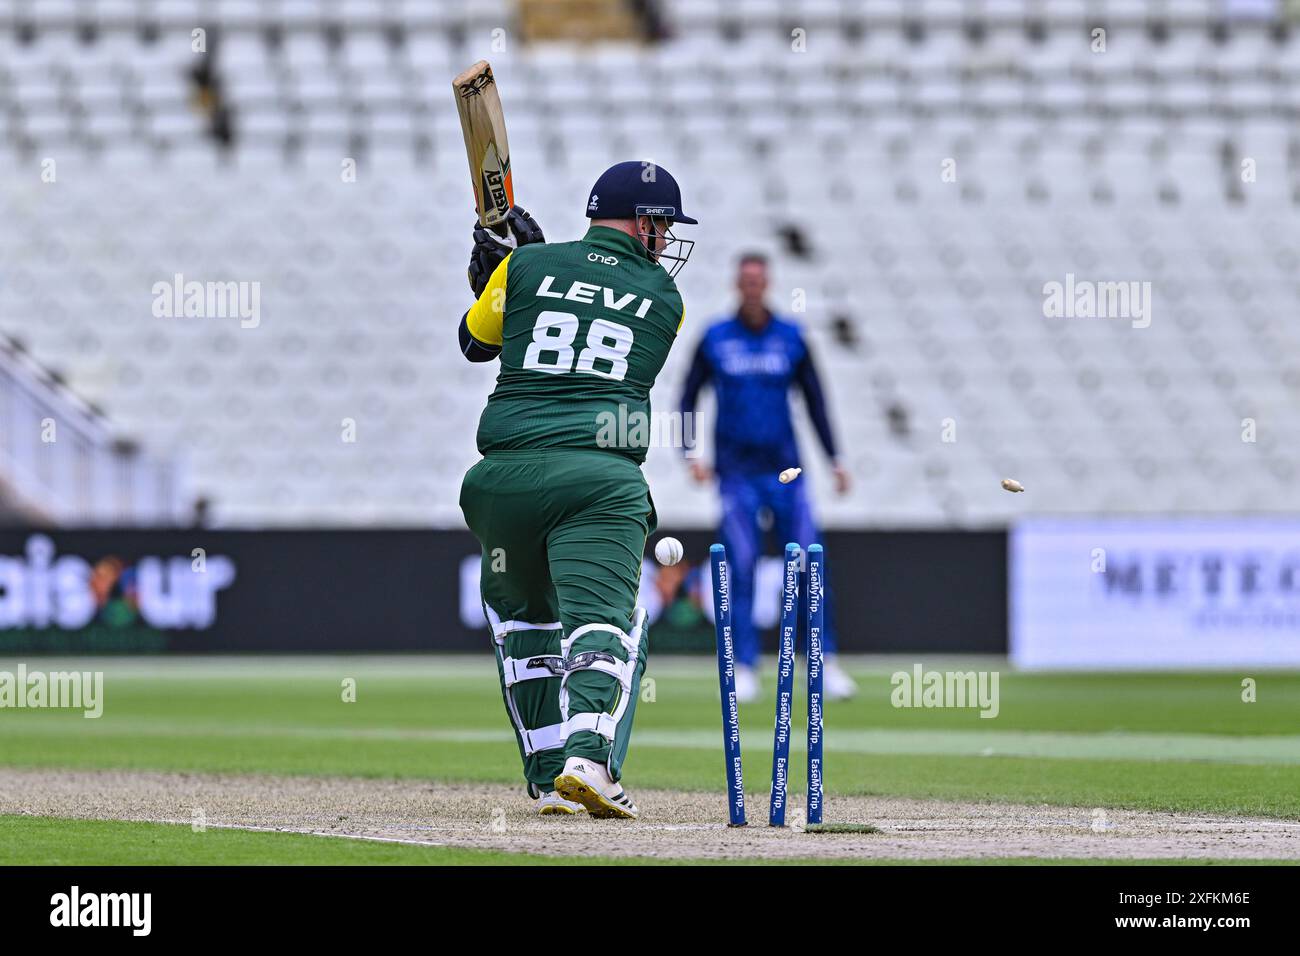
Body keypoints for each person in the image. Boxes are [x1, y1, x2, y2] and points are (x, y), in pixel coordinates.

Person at [458, 161, 695, 819]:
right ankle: (587, 761)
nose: (667, 240)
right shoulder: (666, 302)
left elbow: (475, 343)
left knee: (526, 621)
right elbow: (593, 311)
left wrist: (499, 273)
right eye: (664, 225)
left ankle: (544, 772)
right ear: (643, 221)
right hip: (598, 477)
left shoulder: (527, 270)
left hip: (499, 479)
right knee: (606, 622)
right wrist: (523, 266)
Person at [679, 253, 857, 703]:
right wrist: (688, 454)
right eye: (746, 280)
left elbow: (816, 400)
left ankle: (824, 660)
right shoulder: (716, 338)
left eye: (759, 280)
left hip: (787, 473)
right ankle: (743, 667)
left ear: (768, 284)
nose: (753, 287)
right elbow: (687, 395)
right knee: (739, 566)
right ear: (738, 285)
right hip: (735, 474)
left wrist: (835, 458)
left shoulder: (791, 338)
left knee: (807, 565)